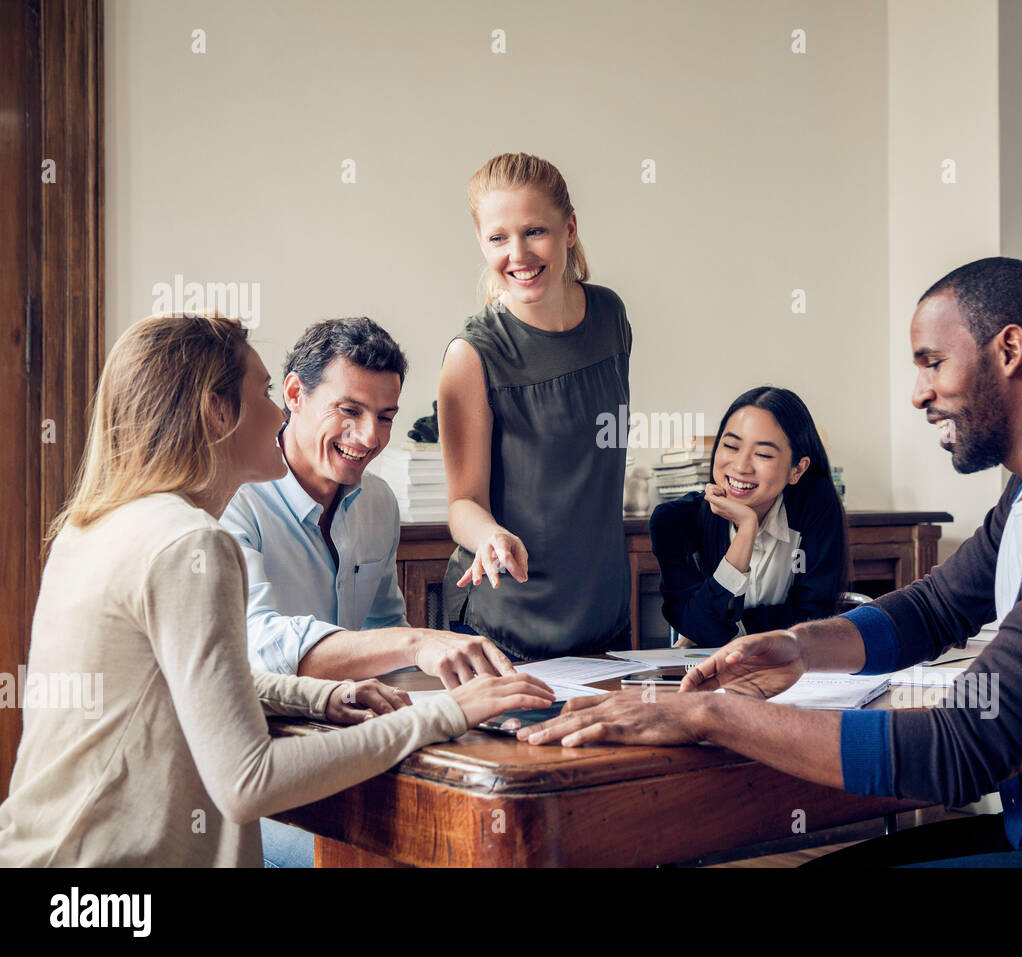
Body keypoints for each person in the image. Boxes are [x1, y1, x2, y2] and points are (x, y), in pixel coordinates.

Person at [516, 257, 1022, 868]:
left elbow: (963, 750)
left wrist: (712, 712)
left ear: (1009, 350)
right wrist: (798, 648)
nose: (918, 394)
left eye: (932, 363)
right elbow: (935, 608)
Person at [0, 314, 553, 866]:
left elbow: (187, 688)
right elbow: (248, 782)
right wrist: (446, 713)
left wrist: (322, 696)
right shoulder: (192, 543)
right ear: (216, 411)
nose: (275, 413)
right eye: (263, 391)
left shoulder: (95, 525)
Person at [220, 317, 513, 686]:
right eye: (349, 411)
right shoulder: (232, 500)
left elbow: (385, 628)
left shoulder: (379, 502)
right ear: (295, 394)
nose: (369, 437)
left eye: (385, 417)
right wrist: (417, 642)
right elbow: (257, 644)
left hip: (352, 717)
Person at [438, 152, 632, 660]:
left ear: (569, 228)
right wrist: (492, 535)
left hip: (602, 615)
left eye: (535, 231)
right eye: (498, 237)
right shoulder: (472, 355)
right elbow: (463, 505)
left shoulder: (611, 316)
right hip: (506, 622)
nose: (518, 254)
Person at [650, 386, 847, 645]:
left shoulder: (815, 504)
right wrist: (746, 529)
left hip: (793, 672)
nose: (741, 466)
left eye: (763, 454)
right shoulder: (673, 522)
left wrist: (731, 628)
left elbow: (812, 620)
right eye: (731, 446)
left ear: (797, 469)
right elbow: (698, 625)